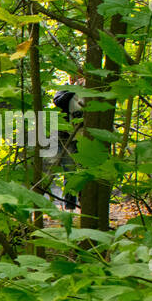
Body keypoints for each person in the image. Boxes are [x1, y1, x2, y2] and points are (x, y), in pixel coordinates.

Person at [47, 75, 85, 211]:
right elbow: (58, 101)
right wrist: (73, 89)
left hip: (83, 137)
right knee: (69, 172)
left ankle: (84, 205)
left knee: (85, 172)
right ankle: (70, 207)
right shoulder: (64, 89)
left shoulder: (88, 90)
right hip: (66, 137)